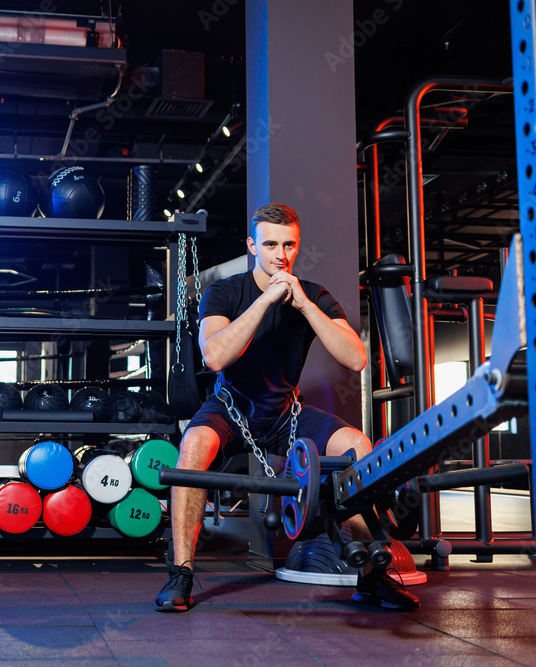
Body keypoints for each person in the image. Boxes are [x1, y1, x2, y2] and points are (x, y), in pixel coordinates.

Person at [154, 203, 419, 613]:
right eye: (271, 244)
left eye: (289, 244)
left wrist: (304, 307)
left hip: (284, 415)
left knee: (354, 443)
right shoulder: (224, 292)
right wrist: (264, 302)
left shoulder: (313, 295)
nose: (281, 254)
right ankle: (182, 573)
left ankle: (371, 577)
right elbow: (215, 357)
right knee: (191, 449)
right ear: (252, 246)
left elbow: (356, 359)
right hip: (230, 409)